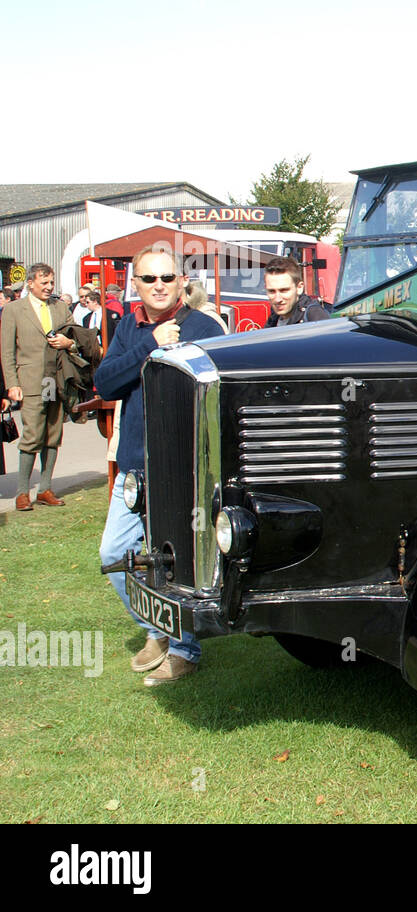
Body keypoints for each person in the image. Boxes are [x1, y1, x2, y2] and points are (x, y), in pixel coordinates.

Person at [95, 243, 224, 685]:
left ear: (182, 282)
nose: (159, 286)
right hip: (135, 467)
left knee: (176, 565)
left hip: (184, 470)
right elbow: (107, 382)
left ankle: (185, 649)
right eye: (149, 279)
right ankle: (157, 630)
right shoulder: (130, 328)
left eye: (167, 278)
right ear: (136, 285)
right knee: (115, 553)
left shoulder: (205, 325)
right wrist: (149, 345)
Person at [0, 263, 77, 510]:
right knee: (33, 434)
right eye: (44, 283)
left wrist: (68, 343)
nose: (49, 287)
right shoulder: (13, 310)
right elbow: (7, 351)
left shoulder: (60, 307)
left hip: (56, 379)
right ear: (30, 283)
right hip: (30, 381)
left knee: (53, 434)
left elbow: (77, 338)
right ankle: (23, 492)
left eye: (51, 283)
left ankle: (45, 488)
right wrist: (11, 384)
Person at [262, 257, 329, 327]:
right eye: (272, 291)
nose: (277, 299)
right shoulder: (273, 320)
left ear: (299, 288)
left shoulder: (314, 316)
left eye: (284, 290)